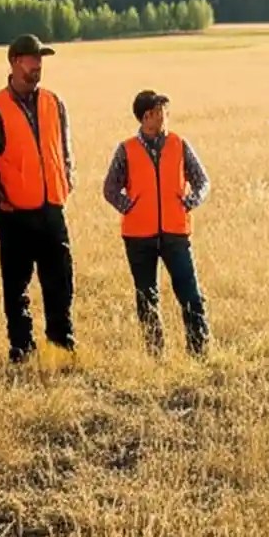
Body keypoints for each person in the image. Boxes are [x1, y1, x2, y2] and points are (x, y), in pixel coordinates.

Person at [0, 33, 77, 364]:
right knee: (17, 288)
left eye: (41, 59)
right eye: (32, 59)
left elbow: (65, 151)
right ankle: (22, 347)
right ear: (15, 62)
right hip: (14, 215)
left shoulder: (54, 103)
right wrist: (3, 199)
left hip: (51, 209)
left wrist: (65, 182)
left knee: (61, 282)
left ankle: (60, 346)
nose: (38, 65)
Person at [103, 90, 212, 356]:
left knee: (190, 295)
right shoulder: (126, 150)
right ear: (145, 117)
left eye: (166, 111)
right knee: (146, 297)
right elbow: (110, 188)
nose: (164, 117)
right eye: (159, 112)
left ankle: (199, 352)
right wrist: (130, 207)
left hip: (176, 233)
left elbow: (202, 181)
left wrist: (191, 200)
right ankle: (156, 355)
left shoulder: (179, 144)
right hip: (139, 237)